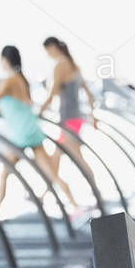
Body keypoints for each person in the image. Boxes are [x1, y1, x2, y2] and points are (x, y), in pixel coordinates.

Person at [0, 45, 77, 214]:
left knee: (5, 173)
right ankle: (75, 206)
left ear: (5, 60)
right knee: (51, 174)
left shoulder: (9, 81)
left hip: (21, 135)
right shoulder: (21, 80)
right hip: (32, 130)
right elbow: (19, 107)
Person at [38, 36, 97, 186]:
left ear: (52, 48)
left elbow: (52, 94)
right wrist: (92, 115)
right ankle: (46, 192)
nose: (47, 55)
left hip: (68, 119)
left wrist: (39, 112)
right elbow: (89, 94)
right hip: (76, 118)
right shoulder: (74, 65)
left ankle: (96, 190)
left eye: (47, 51)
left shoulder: (60, 66)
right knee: (57, 155)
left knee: (76, 156)